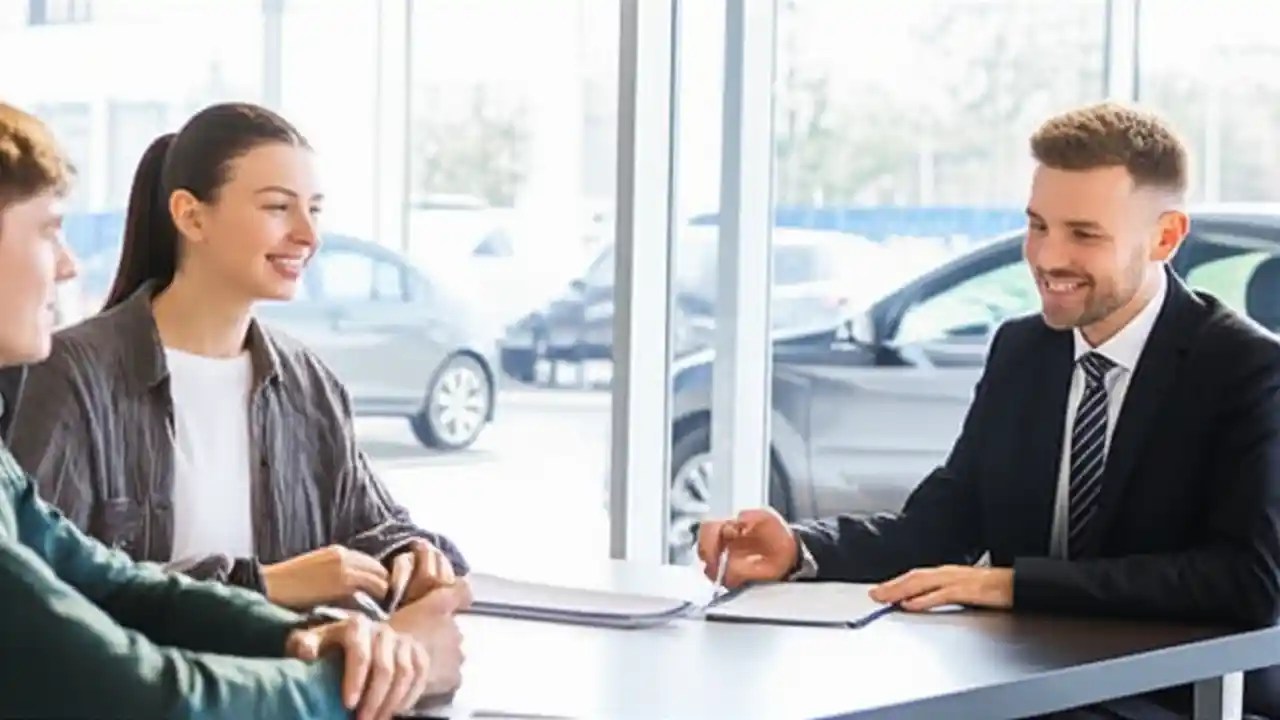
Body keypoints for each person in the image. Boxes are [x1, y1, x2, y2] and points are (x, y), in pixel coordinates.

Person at [697, 102, 1280, 718]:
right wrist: (797, 548)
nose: (1047, 258)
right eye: (1037, 225)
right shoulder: (1023, 349)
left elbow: (1248, 581)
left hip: (1173, 697)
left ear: (1165, 237)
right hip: (1023, 677)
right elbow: (941, 524)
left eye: (1083, 234)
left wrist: (1012, 585)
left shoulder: (1245, 369)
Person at [0, 100, 453, 720]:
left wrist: (316, 634)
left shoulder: (307, 382)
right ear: (189, 215)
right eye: (49, 229)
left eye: (314, 210)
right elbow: (136, 686)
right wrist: (356, 675)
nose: (70, 264)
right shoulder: (73, 375)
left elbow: (115, 584)